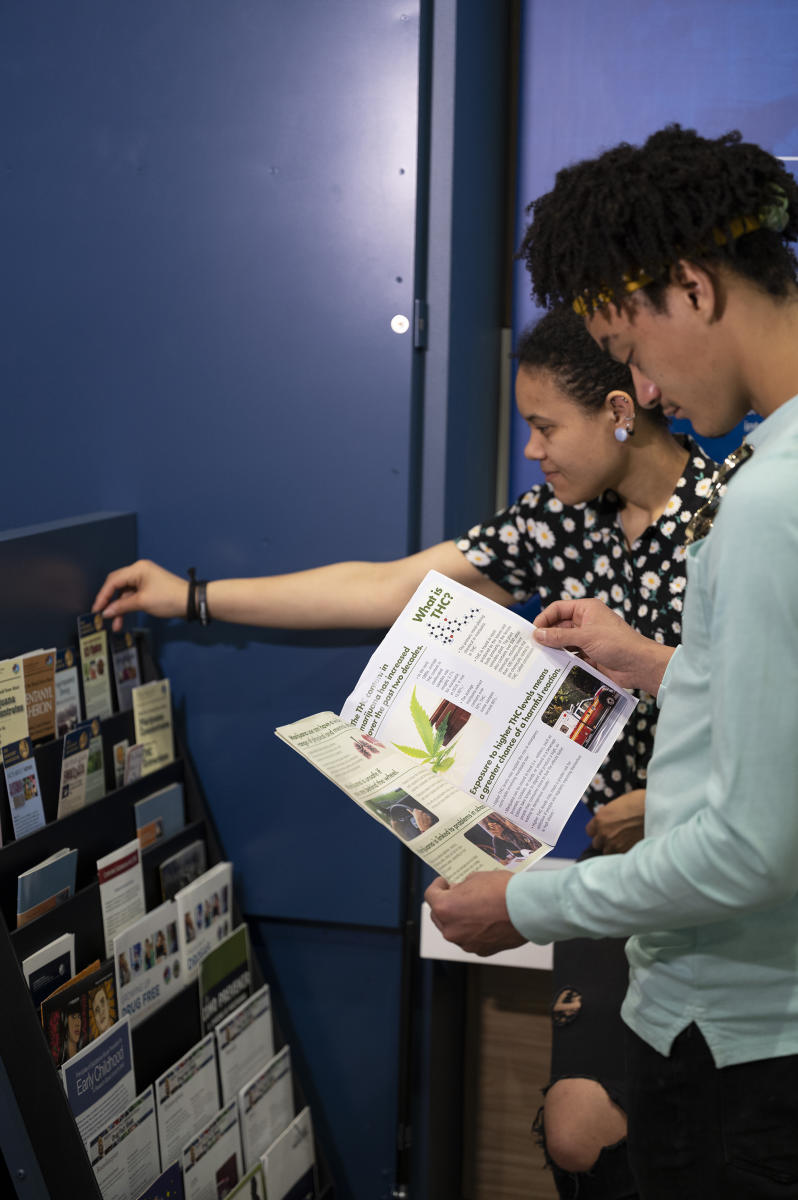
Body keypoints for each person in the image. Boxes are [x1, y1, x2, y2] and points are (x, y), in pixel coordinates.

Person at [92, 306, 715, 1198]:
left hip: (719, 852)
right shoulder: (560, 521)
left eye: (545, 426)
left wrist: (669, 798)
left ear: (621, 409)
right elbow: (388, 588)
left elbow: (771, 706)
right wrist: (191, 597)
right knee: (579, 1134)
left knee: (688, 1122)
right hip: (613, 867)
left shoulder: (731, 516)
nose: (532, 450)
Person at [425, 125, 798, 1199]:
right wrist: (661, 667)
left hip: (741, 1044)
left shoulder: (765, 504)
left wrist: (528, 903)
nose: (642, 386)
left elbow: (753, 854)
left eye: (628, 347)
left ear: (691, 288)